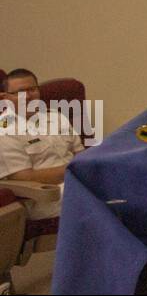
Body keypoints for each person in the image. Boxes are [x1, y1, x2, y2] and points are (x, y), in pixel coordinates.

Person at [0, 70, 84, 222]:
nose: (27, 96)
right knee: (99, 200)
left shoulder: (56, 117)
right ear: (5, 98)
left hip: (75, 183)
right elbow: (22, 177)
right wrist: (73, 169)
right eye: (19, 92)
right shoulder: (4, 130)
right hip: (43, 198)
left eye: (32, 89)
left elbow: (80, 153)